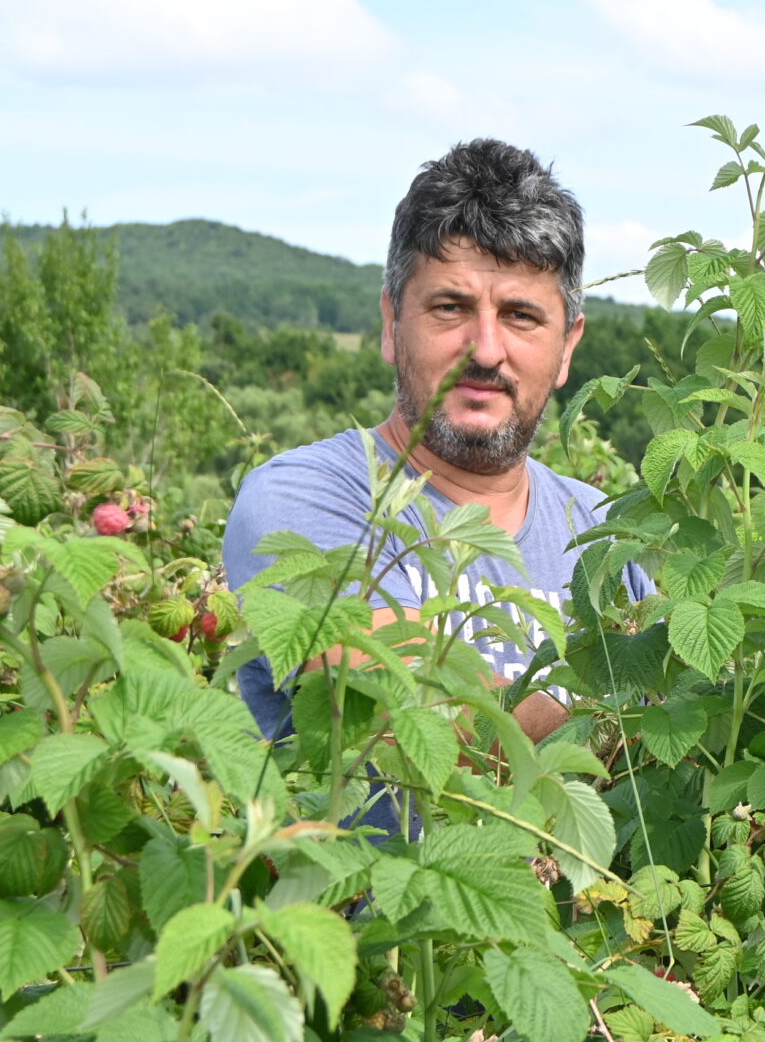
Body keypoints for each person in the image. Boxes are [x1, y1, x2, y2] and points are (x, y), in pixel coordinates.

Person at [222, 138, 653, 746]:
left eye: (521, 316)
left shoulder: (609, 533)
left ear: (567, 347)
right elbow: (420, 715)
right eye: (450, 307)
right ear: (392, 323)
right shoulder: (302, 500)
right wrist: (659, 725)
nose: (485, 350)